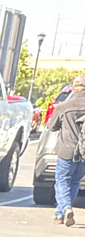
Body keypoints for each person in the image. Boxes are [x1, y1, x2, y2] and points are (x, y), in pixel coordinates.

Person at [50, 75, 85, 225]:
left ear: (74, 88)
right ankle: (60, 215)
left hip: (67, 150)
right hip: (83, 153)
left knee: (62, 182)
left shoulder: (64, 106)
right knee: (75, 181)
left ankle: (66, 209)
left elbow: (52, 126)